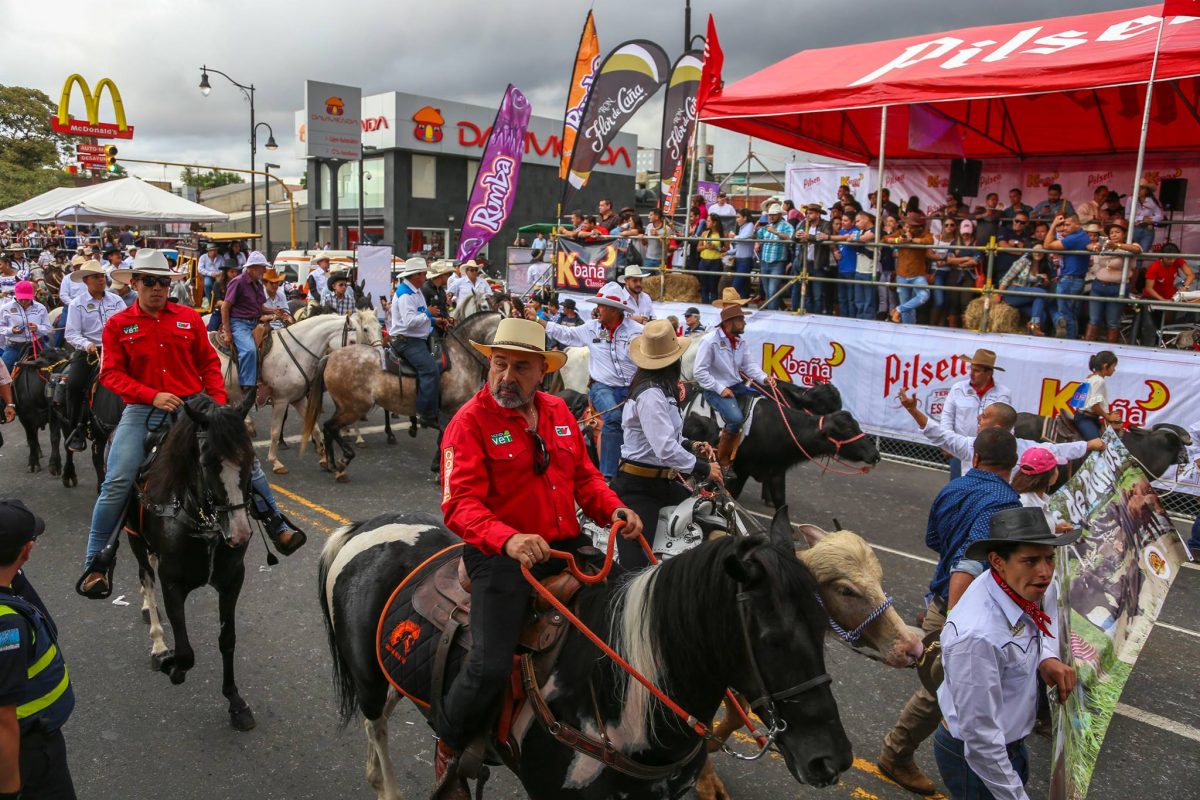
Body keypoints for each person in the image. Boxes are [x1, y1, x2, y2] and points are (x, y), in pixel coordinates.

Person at [433, 318, 642, 797]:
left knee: (626, 621)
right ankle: (450, 744)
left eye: (520, 367)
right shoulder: (468, 423)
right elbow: (458, 504)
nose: (507, 376)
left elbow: (585, 478)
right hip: (499, 555)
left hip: (564, 546)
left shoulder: (559, 412)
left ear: (542, 372)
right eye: (499, 364)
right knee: (489, 665)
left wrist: (613, 509)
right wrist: (507, 539)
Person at [76, 249, 303, 599]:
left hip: (195, 407)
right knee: (117, 480)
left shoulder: (187, 318)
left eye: (163, 282)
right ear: (134, 283)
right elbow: (111, 375)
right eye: (149, 281)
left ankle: (276, 523)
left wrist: (219, 407)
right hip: (142, 410)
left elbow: (209, 365)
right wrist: (152, 395)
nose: (157, 288)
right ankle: (97, 563)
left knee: (247, 461)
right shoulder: (118, 325)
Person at [877, 428, 1021, 796]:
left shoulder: (953, 488)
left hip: (941, 599)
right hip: (962, 610)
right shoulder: (1005, 503)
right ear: (1014, 462)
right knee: (942, 691)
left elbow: (933, 539)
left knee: (953, 689)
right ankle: (896, 753)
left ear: (976, 457)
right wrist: (959, 621)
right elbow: (968, 559)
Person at [936, 507, 1078, 800]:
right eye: (1030, 561)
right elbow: (981, 742)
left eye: (1049, 558)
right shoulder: (978, 637)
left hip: (1009, 745)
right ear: (997, 561)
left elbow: (1034, 626)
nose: (1045, 572)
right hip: (978, 760)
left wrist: (1045, 657)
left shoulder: (1013, 586)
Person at [613, 320, 721, 569]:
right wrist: (704, 468)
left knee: (705, 518)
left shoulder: (662, 391)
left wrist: (691, 445)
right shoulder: (650, 394)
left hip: (662, 483)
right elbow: (663, 447)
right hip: (638, 487)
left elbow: (669, 437)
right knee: (636, 566)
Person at [0, 499, 78, 800]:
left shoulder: (13, 590)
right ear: (27, 550)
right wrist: (9, 791)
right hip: (28, 748)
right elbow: (3, 718)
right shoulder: (8, 625)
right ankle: (100, 561)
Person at [534, 287, 641, 481]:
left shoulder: (637, 331)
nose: (597, 309)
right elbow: (566, 334)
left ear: (614, 310)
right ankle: (608, 476)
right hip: (602, 387)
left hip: (633, 389)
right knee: (614, 418)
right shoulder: (591, 328)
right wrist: (540, 321)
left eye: (602, 306)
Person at [897, 391, 1100, 474]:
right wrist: (913, 410)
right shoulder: (971, 445)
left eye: (984, 416)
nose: (978, 418)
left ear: (998, 427)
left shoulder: (1023, 448)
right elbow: (939, 434)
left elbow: (1058, 450)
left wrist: (1089, 445)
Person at [693, 299, 776, 474]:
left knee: (764, 407)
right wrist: (720, 389)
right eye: (741, 319)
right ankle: (723, 461)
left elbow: (749, 365)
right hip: (714, 390)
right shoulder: (709, 341)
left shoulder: (740, 342)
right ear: (730, 322)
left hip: (736, 386)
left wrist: (764, 378)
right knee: (736, 419)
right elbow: (699, 372)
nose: (744, 323)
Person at [62, 260, 125, 452]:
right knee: (74, 385)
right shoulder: (77, 304)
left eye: (102, 276)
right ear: (86, 280)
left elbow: (128, 323)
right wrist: (87, 344)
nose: (101, 280)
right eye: (96, 277)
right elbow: (71, 334)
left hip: (117, 349)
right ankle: (76, 430)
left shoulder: (116, 300)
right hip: (90, 352)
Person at [941, 349, 1013, 480]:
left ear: (988, 373)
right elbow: (947, 416)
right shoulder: (958, 388)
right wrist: (948, 443)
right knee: (958, 485)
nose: (971, 373)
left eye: (977, 371)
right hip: (961, 448)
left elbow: (1006, 422)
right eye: (971, 369)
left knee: (983, 486)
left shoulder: (1003, 393)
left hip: (988, 452)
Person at [388, 257, 440, 429]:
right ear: (416, 275)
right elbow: (410, 322)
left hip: (415, 338)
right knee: (430, 370)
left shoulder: (414, 291)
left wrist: (436, 321)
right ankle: (426, 414)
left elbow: (419, 317)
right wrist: (429, 313)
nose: (425, 277)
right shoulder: (405, 294)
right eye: (424, 273)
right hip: (407, 341)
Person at [220, 251, 278, 394]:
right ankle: (247, 386)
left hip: (256, 323)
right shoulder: (238, 282)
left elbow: (260, 307)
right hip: (239, 324)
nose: (264, 270)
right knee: (249, 350)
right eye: (262, 267)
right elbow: (225, 307)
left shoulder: (257, 284)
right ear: (252, 268)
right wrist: (227, 332)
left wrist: (275, 311)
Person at [1086, 220, 1141, 342]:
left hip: (1117, 288)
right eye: (1111, 232)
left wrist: (1117, 246)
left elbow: (1137, 250)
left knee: (1113, 322)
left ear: (1125, 234)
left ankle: (1111, 350)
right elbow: (1088, 245)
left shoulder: (1131, 245)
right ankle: (1088, 347)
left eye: (1117, 232)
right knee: (1094, 320)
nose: (1114, 234)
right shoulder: (1105, 244)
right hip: (1099, 285)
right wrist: (1094, 247)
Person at [1042, 214, 1091, 339]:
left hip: (1070, 279)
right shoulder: (1079, 236)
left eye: (1068, 225)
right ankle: (1071, 339)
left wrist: (1053, 225)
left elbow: (1047, 245)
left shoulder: (1075, 238)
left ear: (1077, 224)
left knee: (1066, 314)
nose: (1065, 228)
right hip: (1073, 278)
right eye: (1064, 225)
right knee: (1070, 313)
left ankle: (1069, 341)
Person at [886, 211, 934, 324]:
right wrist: (898, 240)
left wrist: (911, 240)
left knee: (924, 296)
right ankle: (907, 328)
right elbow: (885, 238)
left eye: (910, 224)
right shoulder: (901, 232)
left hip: (918, 274)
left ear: (918, 227)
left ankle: (898, 310)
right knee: (907, 307)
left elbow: (929, 241)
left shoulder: (925, 233)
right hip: (902, 274)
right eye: (906, 224)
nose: (907, 226)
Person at [1067, 350, 1121, 440]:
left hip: (1086, 417)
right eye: (1113, 367)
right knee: (1098, 444)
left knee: (1108, 439)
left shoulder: (1091, 377)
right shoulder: (1099, 381)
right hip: (1086, 419)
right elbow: (1094, 406)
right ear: (1105, 366)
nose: (1114, 370)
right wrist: (1108, 417)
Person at [0, 282, 50, 370]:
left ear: (32, 295)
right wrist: (11, 330)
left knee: (54, 365)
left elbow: (48, 328)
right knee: (3, 371)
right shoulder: (5, 308)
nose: (24, 301)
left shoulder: (41, 308)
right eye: (21, 299)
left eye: (27, 299)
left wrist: (37, 328)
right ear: (16, 296)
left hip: (38, 344)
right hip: (14, 347)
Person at [795, 203, 834, 314]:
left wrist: (809, 237)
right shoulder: (803, 223)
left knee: (818, 295)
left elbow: (824, 237)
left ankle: (817, 316)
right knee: (806, 294)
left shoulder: (826, 224)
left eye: (811, 213)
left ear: (818, 214)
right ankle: (808, 314)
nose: (808, 215)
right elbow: (793, 237)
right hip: (804, 263)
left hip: (818, 264)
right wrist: (796, 236)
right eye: (807, 213)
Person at [754, 203, 794, 310]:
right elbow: (757, 237)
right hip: (764, 261)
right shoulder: (766, 226)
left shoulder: (787, 226)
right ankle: (774, 312)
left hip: (778, 262)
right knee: (768, 292)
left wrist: (776, 232)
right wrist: (756, 229)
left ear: (780, 215)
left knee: (772, 291)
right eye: (770, 214)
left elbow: (791, 238)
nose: (771, 217)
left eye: (774, 214)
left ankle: (773, 314)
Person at [422, 261, 454, 333]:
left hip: (443, 327)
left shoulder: (442, 290)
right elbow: (422, 312)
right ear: (441, 275)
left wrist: (448, 318)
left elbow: (443, 309)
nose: (448, 277)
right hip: (429, 329)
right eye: (447, 274)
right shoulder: (425, 289)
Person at [1132, 181, 1164, 253]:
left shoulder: (1152, 201)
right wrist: (1142, 218)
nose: (1139, 190)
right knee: (1132, 251)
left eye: (1141, 188)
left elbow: (1160, 216)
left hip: (1147, 228)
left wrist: (1150, 220)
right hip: (1134, 228)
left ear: (1146, 191)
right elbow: (1127, 215)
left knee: (1143, 252)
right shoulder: (1130, 200)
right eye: (1137, 188)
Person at [196, 243, 223, 309]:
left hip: (218, 275)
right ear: (208, 251)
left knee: (221, 284)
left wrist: (219, 273)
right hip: (208, 275)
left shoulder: (220, 257)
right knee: (207, 284)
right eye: (211, 250)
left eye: (215, 250)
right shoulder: (203, 257)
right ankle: (210, 301)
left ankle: (219, 301)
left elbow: (224, 267)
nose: (213, 252)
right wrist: (210, 273)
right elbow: (200, 269)